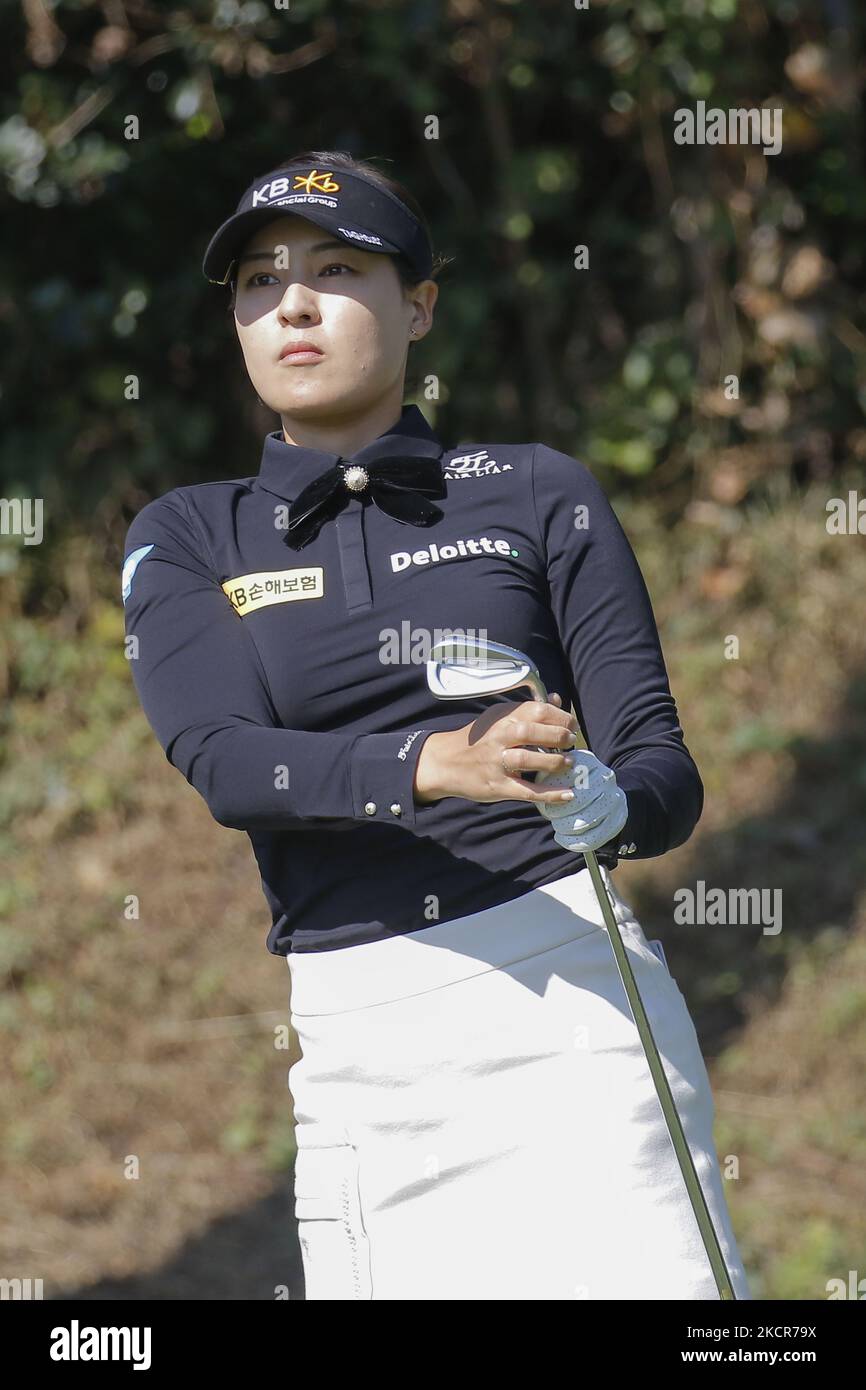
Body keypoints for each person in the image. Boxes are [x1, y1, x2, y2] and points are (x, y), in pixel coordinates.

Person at [121, 149, 752, 1301]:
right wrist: (432, 764)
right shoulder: (189, 535)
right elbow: (227, 763)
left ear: (417, 307)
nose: (291, 302)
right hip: (366, 1053)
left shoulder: (532, 488)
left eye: (335, 268)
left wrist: (617, 802)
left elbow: (665, 769)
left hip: (579, 1010)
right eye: (260, 281)